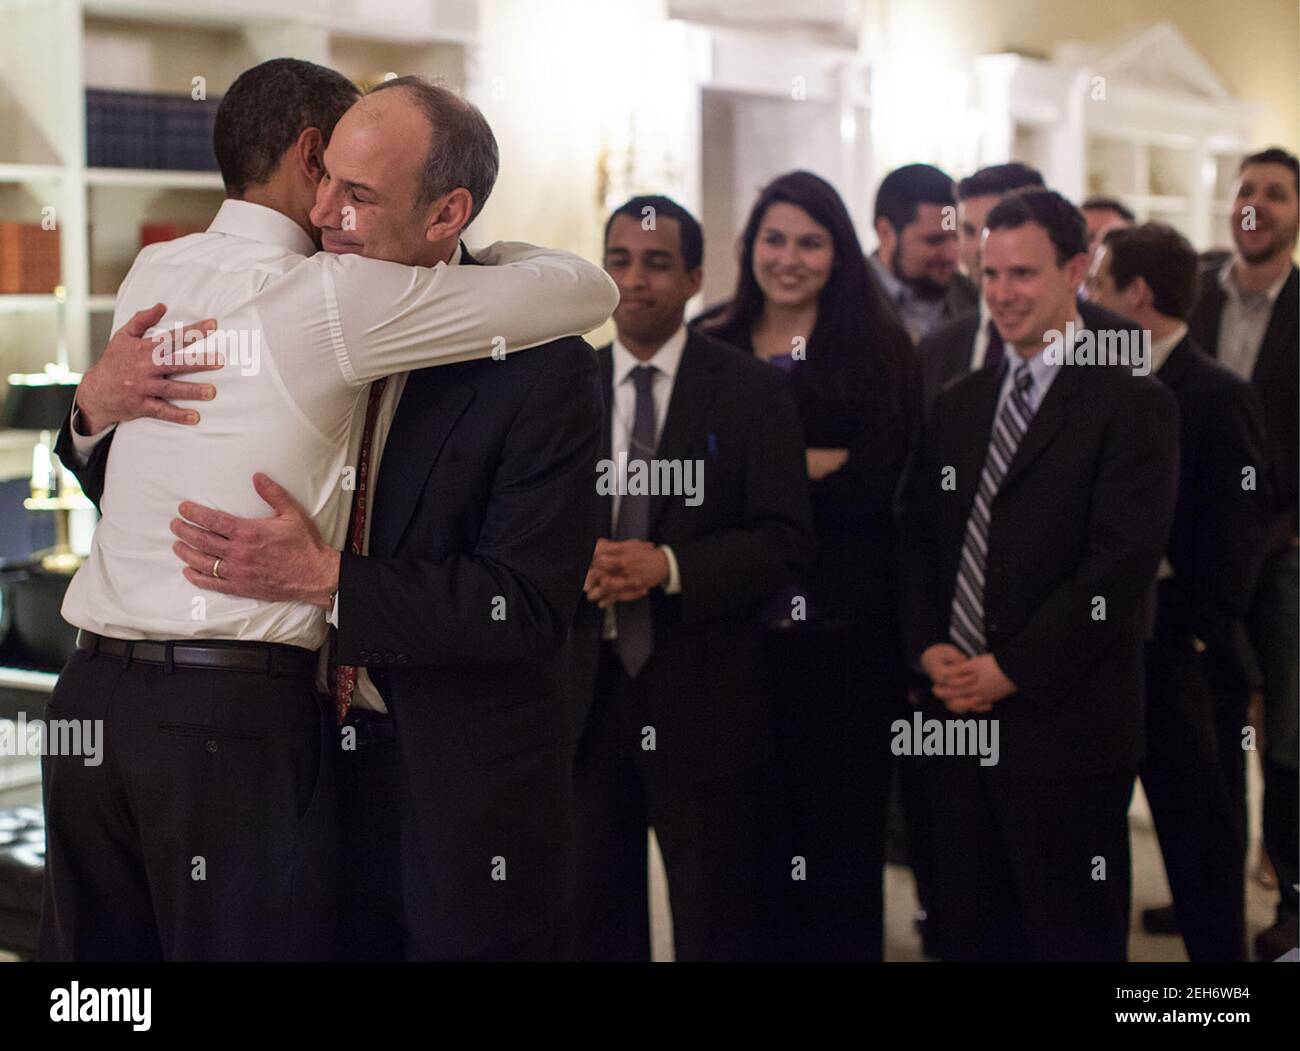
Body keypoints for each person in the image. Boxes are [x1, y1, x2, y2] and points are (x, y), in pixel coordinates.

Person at [49, 66, 616, 961]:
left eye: (356, 196)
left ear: (446, 214)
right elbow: (164, 484)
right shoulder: (290, 289)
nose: (321, 216)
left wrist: (326, 579)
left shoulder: (539, 369)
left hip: (439, 789)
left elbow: (527, 605)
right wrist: (89, 414)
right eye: (326, 184)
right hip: (277, 754)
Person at [898, 189, 1179, 961]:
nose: (1002, 293)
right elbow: (918, 538)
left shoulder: (1133, 401)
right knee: (964, 930)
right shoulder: (961, 400)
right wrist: (929, 648)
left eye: (1023, 274)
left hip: (1066, 727)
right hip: (952, 718)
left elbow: (1116, 572)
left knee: (1068, 937)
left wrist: (1009, 670)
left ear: (1077, 270)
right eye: (990, 274)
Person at [566, 195, 813, 961]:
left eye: (657, 262)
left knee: (716, 919)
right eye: (620, 259)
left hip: (703, 694)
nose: (634, 279)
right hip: (584, 694)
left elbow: (786, 540)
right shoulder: (562, 385)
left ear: (696, 276)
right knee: (591, 917)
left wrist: (669, 566)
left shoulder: (751, 390)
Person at [699, 170, 918, 960]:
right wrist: (807, 467)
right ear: (750, 245)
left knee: (837, 845)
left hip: (845, 636)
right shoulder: (711, 342)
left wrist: (770, 480)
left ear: (841, 252)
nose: (788, 257)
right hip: (729, 637)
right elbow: (700, 497)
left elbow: (880, 489)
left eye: (811, 242)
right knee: (743, 844)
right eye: (775, 238)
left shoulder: (879, 351)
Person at [1088, 222, 1272, 961]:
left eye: (1098, 284)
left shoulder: (1216, 392)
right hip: (1105, 647)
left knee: (1201, 838)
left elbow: (1239, 530)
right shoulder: (1096, 380)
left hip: (1184, 655)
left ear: (1136, 295)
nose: (1086, 298)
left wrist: (1197, 630)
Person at [1187, 146, 1299, 961]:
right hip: (1194, 553)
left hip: (1287, 552)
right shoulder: (1191, 293)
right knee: (1205, 728)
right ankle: (1210, 893)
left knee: (1289, 739)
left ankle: (1292, 899)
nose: (1255, 205)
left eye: (1276, 194)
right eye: (1246, 191)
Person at [919, 167, 1133, 413]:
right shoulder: (935, 348)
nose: (981, 247)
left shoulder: (1118, 338)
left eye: (997, 225)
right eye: (968, 231)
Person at [868, 163, 978, 343]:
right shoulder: (839, 299)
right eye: (935, 240)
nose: (952, 255)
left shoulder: (972, 298)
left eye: (957, 238)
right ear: (885, 233)